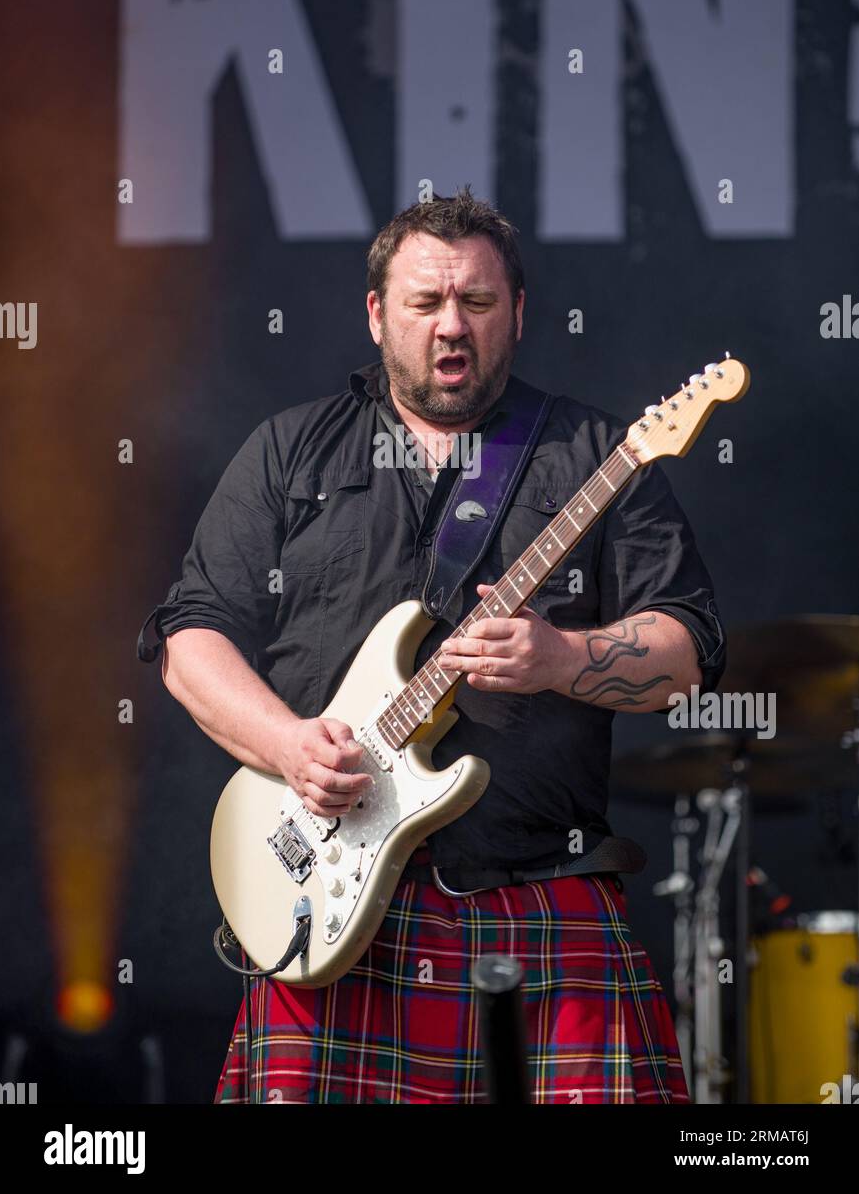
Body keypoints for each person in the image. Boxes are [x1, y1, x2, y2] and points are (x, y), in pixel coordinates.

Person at [137, 188, 725, 1104]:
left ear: (518, 314)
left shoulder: (595, 454)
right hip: (328, 909)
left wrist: (564, 659)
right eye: (423, 303)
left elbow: (683, 649)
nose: (451, 327)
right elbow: (189, 636)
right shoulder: (291, 453)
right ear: (377, 315)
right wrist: (288, 746)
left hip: (540, 894)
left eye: (478, 304)